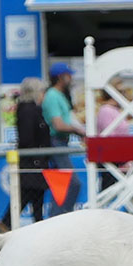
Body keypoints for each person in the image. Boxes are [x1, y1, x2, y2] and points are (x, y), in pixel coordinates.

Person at [0, 77, 51, 231]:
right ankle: (8, 222)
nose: (43, 95)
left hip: (36, 160)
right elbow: (27, 138)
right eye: (41, 91)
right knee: (28, 194)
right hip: (32, 161)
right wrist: (37, 152)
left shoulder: (31, 110)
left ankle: (34, 224)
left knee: (33, 195)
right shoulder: (28, 111)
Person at [41, 62, 85, 214]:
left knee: (62, 183)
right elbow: (58, 125)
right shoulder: (53, 96)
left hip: (61, 142)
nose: (71, 78)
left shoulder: (59, 95)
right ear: (60, 77)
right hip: (56, 141)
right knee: (72, 183)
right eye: (68, 75)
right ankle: (61, 215)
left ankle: (58, 215)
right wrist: (78, 131)